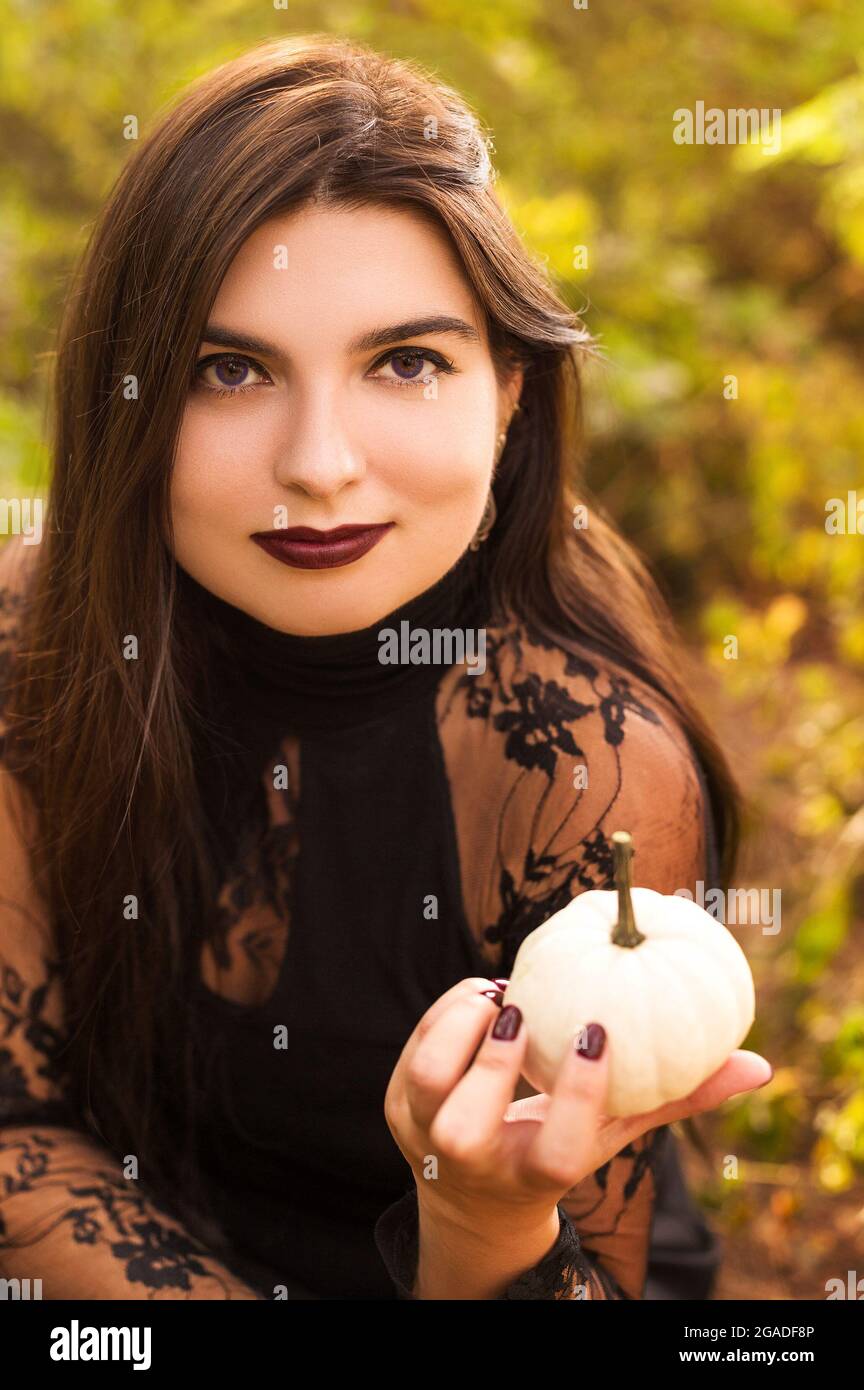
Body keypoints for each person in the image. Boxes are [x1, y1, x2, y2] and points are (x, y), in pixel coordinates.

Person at [0, 34, 771, 1301]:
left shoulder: (584, 768)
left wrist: (479, 1229)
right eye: (228, 369)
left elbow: (593, 1282)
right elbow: (17, 1130)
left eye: (404, 362)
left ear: (509, 388)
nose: (318, 464)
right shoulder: (34, 642)